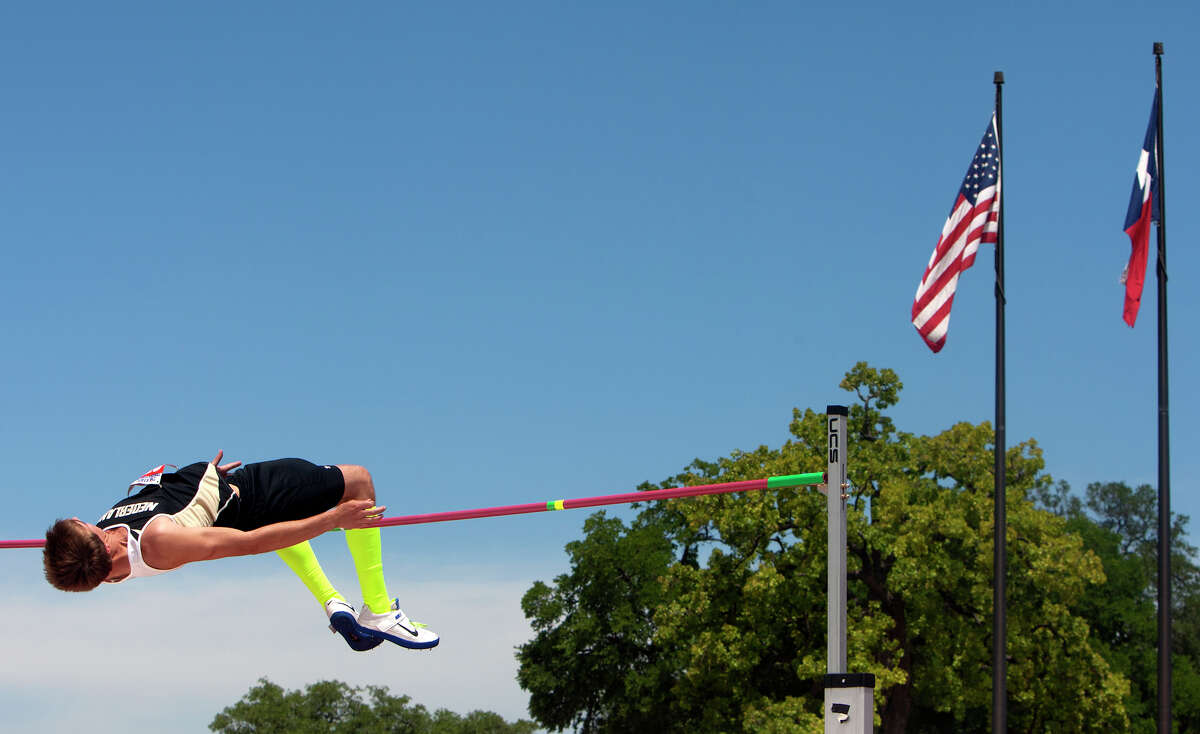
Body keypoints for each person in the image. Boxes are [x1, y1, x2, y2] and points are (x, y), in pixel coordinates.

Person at [42, 451, 438, 652]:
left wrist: (198, 481)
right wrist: (334, 519)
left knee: (285, 522)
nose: (81, 518)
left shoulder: (99, 562)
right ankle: (380, 611)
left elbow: (160, 501)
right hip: (252, 497)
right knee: (357, 481)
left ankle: (332, 600)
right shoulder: (159, 542)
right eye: (79, 523)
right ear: (94, 537)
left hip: (223, 493)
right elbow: (253, 542)